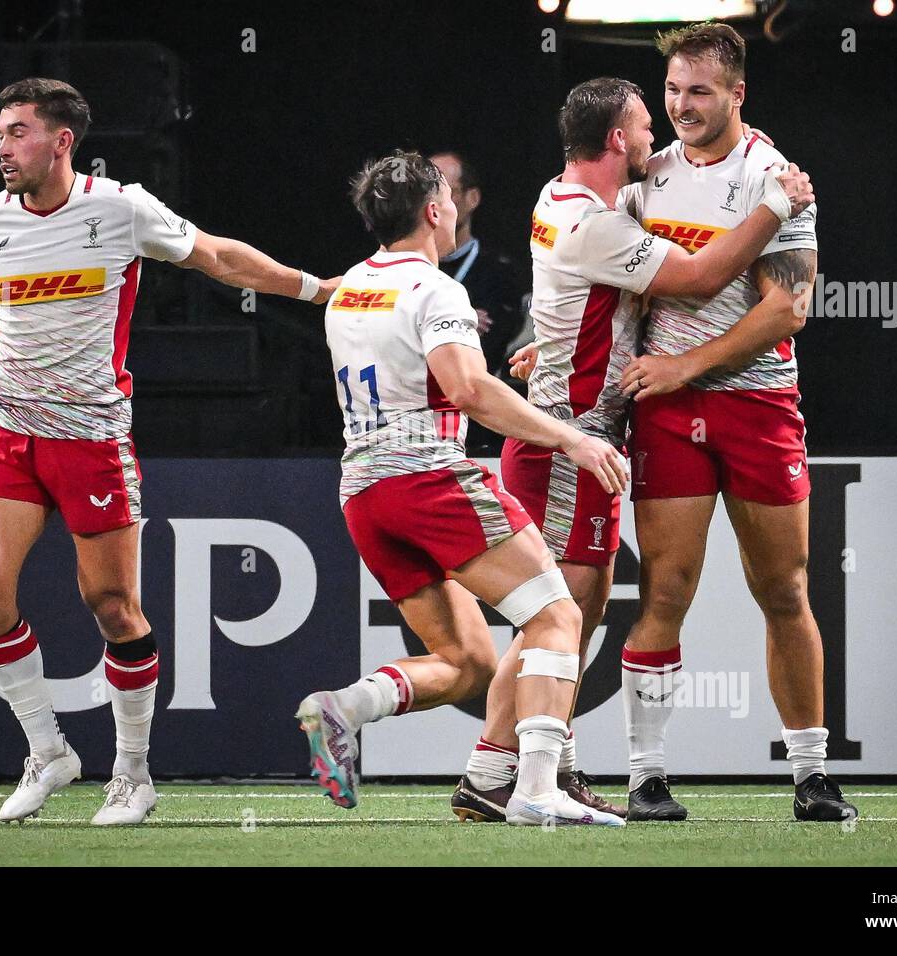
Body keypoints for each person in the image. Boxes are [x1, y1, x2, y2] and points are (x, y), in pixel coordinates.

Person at [0, 77, 338, 825]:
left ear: (62, 141)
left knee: (114, 607)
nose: (2, 147)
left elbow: (218, 257)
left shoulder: (120, 209)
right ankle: (48, 751)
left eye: (18, 132)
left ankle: (132, 773)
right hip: (9, 435)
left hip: (90, 437)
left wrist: (318, 290)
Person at [452, 76, 816, 823]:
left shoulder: (566, 198)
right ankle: (494, 772)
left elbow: (600, 300)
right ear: (617, 140)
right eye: (648, 122)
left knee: (569, 615)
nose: (661, 133)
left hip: (581, 432)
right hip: (568, 441)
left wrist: (547, 350)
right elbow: (703, 275)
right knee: (558, 616)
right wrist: (776, 205)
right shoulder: (597, 223)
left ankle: (553, 766)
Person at [297, 149, 629, 826]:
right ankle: (537, 789)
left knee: (468, 660)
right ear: (434, 210)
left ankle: (345, 708)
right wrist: (572, 437)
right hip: (427, 476)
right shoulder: (437, 288)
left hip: (363, 491)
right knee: (558, 617)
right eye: (446, 195)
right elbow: (468, 390)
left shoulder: (352, 287)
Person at [613, 22, 857, 822]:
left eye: (699, 93)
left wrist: (688, 363)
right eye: (672, 91)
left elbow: (786, 309)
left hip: (756, 405)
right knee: (666, 588)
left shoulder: (774, 178)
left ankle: (812, 777)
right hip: (668, 412)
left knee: (783, 589)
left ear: (737, 94)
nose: (681, 106)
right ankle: (646, 778)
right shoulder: (645, 179)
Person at [429, 151, 526, 375]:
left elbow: (488, 352)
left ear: (472, 198)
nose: (432, 202)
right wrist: (456, 322)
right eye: (424, 192)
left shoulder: (500, 273)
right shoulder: (408, 267)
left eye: (443, 191)